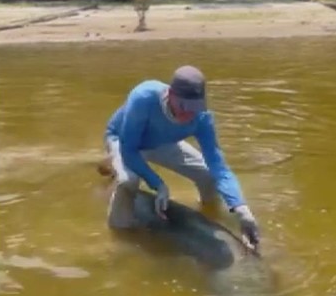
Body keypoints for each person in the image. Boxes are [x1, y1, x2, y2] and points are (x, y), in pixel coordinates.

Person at [102, 65, 261, 250]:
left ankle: (209, 216)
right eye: (183, 107)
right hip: (124, 140)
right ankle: (119, 234)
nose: (188, 115)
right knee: (128, 181)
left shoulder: (202, 118)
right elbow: (129, 148)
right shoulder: (144, 97)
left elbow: (219, 167)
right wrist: (158, 184)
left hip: (163, 142)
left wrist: (241, 209)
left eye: (195, 108)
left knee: (208, 176)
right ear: (170, 94)